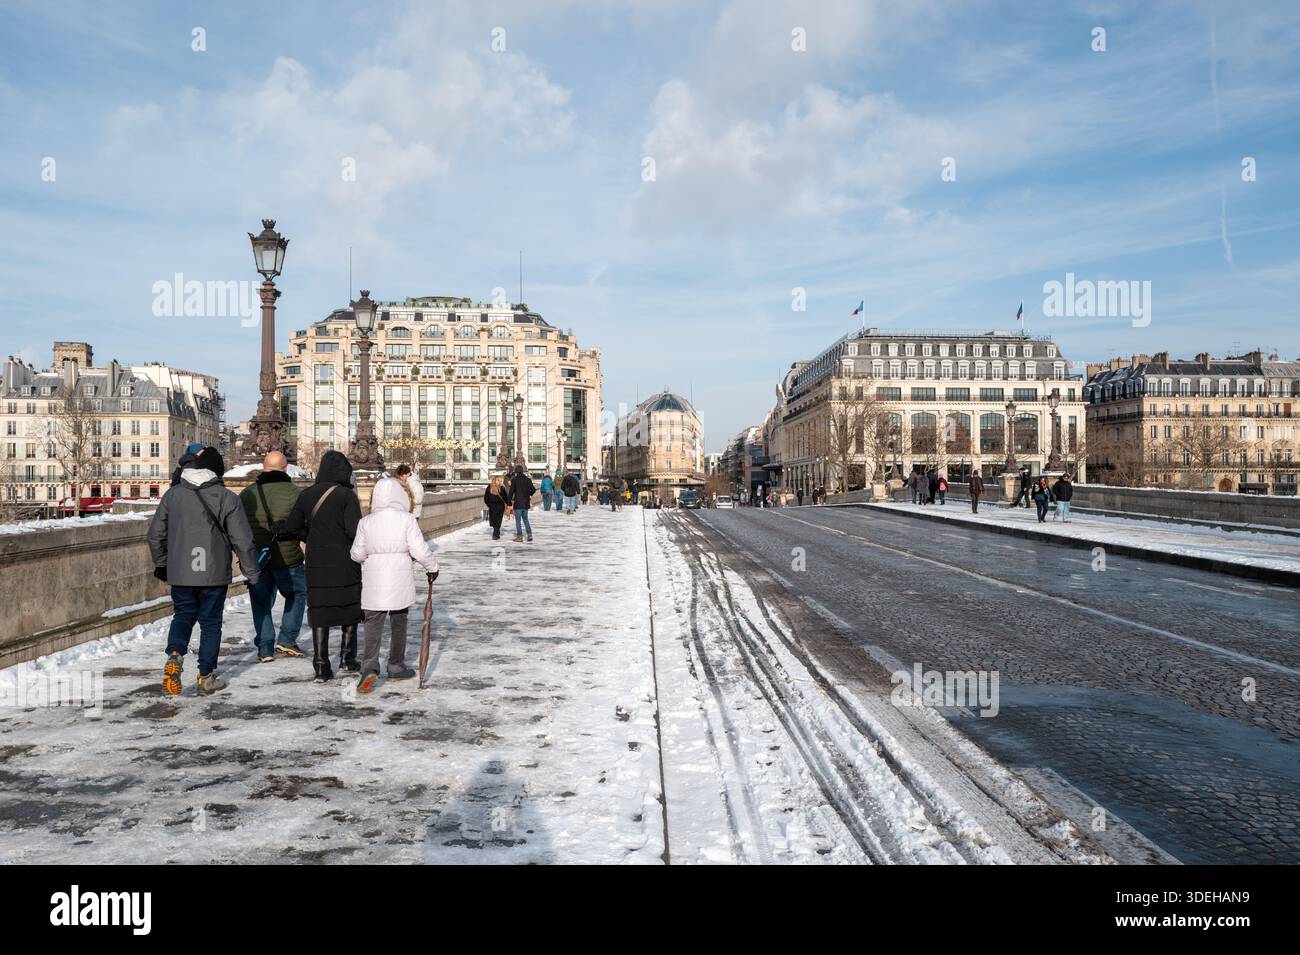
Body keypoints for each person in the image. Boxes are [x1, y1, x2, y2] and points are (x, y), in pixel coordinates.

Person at [149, 447, 261, 696]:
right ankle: (206, 676)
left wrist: (162, 564)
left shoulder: (173, 495)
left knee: (183, 616)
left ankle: (175, 654)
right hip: (213, 573)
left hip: (181, 573)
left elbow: (155, 535)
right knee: (210, 624)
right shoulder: (227, 498)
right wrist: (252, 573)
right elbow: (243, 541)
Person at [349, 477, 441, 693]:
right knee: (399, 621)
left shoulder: (366, 522)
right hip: (400, 578)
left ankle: (369, 666)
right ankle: (396, 664)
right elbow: (419, 550)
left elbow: (356, 554)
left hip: (373, 580)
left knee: (372, 624)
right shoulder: (407, 519)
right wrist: (432, 567)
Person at [283, 450, 363, 682]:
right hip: (344, 561)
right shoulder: (347, 496)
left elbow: (292, 526)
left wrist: (311, 537)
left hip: (316, 561)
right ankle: (348, 658)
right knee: (349, 606)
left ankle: (321, 664)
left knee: (319, 609)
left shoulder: (307, 495)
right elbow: (354, 531)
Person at [239, 451, 307, 661]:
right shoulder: (296, 493)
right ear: (286, 468)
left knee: (260, 601)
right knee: (297, 594)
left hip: (258, 558)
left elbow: (238, 527)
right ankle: (286, 639)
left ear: (263, 467)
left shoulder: (247, 494)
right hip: (289, 558)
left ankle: (265, 647)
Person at [510, 465, 536, 542]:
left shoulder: (514, 480)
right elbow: (534, 490)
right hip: (525, 503)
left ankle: (520, 536)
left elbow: (511, 492)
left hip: (518, 503)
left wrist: (509, 502)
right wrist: (529, 494)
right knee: (525, 519)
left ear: (516, 472)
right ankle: (529, 534)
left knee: (518, 521)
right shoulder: (528, 480)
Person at [484, 474, 510, 540]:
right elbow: (505, 498)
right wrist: (508, 504)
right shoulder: (501, 488)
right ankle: (496, 534)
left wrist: (489, 504)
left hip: (492, 506)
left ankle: (496, 533)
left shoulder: (489, 487)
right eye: (499, 480)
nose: (500, 481)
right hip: (500, 506)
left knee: (494, 520)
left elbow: (486, 498)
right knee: (498, 520)